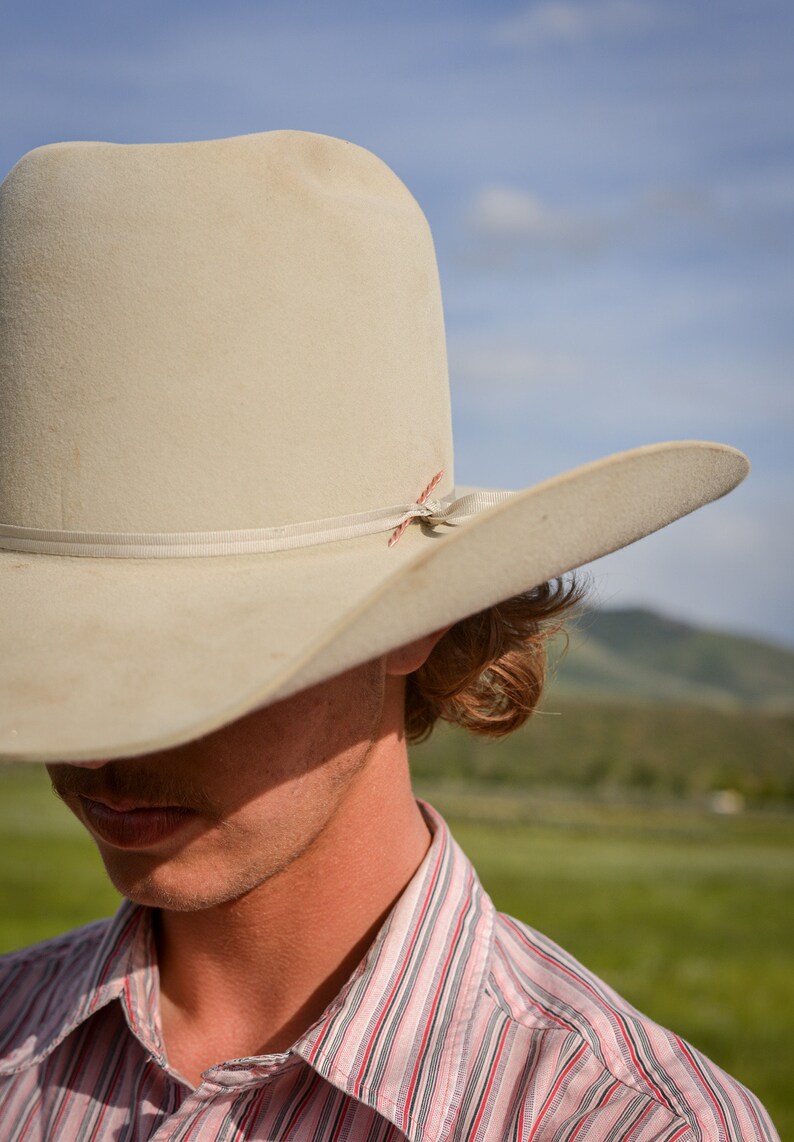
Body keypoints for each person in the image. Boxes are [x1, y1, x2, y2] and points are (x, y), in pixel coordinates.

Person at [0, 130, 778, 1140]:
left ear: (415, 625)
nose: (100, 745)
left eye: (199, 669)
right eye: (52, 660)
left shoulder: (622, 1123)